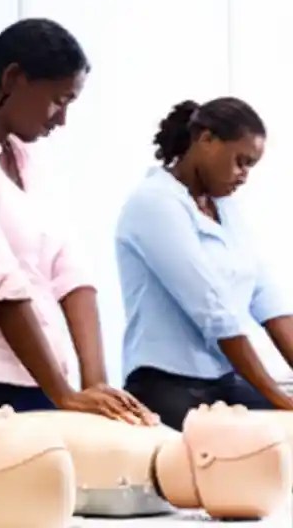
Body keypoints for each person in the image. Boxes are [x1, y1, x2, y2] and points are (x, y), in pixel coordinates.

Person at [0, 18, 155, 424]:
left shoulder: (29, 158)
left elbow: (71, 271)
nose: (61, 120)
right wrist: (65, 396)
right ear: (14, 78)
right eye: (58, 101)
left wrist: (94, 385)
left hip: (44, 381)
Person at [116, 97, 293, 429]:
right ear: (206, 139)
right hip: (166, 385)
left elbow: (265, 294)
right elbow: (214, 312)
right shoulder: (154, 203)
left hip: (222, 382)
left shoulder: (226, 208)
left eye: (251, 166)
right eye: (241, 162)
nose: (244, 176)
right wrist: (278, 398)